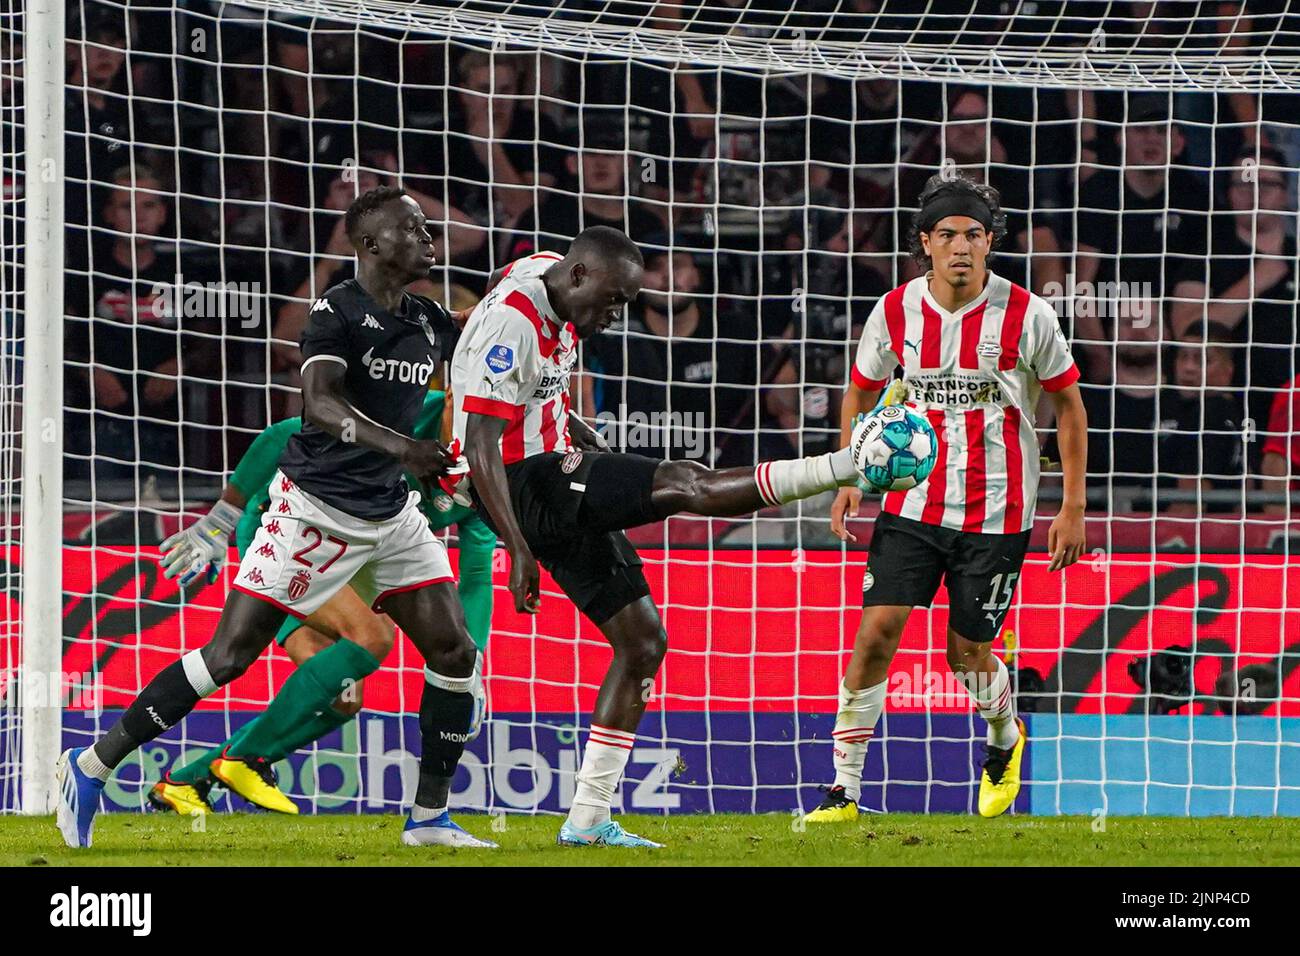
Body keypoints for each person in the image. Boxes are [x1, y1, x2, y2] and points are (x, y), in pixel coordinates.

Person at [56, 186, 492, 850]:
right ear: (371, 246)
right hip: (311, 512)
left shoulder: (429, 320)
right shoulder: (335, 313)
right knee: (228, 657)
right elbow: (315, 406)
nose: (428, 237)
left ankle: (427, 818)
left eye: (428, 228)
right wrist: (222, 519)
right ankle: (90, 768)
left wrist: (533, 286)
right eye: (414, 229)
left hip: (391, 517)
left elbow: (490, 329)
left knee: (454, 651)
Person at [451, 229, 867, 847]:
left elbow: (505, 346)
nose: (616, 316)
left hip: (546, 462)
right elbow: (482, 443)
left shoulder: (540, 268)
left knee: (644, 641)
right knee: (683, 485)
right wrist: (517, 547)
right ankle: (844, 463)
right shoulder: (512, 324)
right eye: (613, 302)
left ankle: (588, 821)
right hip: (518, 486)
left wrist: (567, 419)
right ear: (580, 277)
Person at [801, 173, 1088, 823]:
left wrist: (1072, 506)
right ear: (925, 243)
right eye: (949, 235)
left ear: (990, 243)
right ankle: (844, 791)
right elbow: (860, 391)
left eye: (975, 235)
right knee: (875, 635)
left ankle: (1004, 738)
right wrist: (850, 476)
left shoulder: (1027, 314)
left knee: (967, 655)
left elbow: (1069, 407)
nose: (963, 247)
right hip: (911, 505)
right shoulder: (896, 310)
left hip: (998, 513)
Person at [148, 388, 496, 816]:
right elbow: (282, 436)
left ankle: (187, 781)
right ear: (446, 404)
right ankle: (239, 759)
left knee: (342, 699)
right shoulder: (403, 411)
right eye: (459, 417)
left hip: (361, 556)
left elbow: (478, 576)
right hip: (293, 530)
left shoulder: (486, 473)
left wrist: (473, 666)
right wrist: (223, 517)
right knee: (370, 636)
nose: (467, 433)